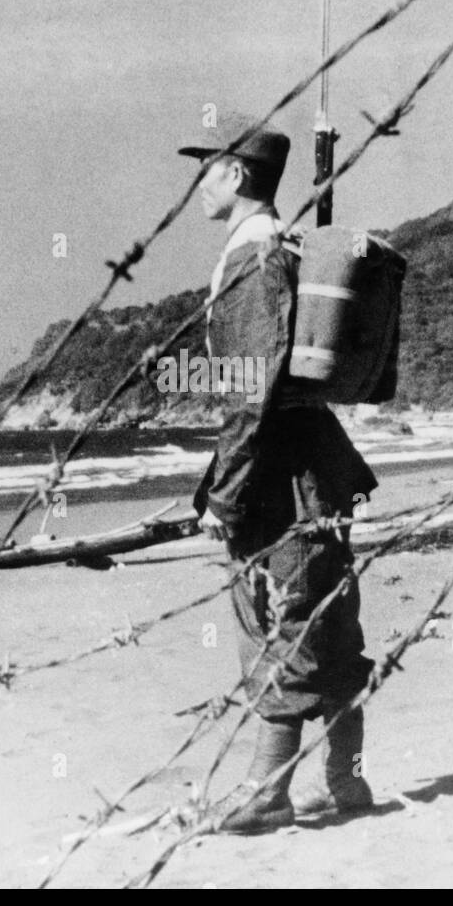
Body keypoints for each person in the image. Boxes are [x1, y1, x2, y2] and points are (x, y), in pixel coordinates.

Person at [178, 111, 377, 833]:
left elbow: (248, 392)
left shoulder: (252, 259)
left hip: (281, 482)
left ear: (235, 174)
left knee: (280, 627)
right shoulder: (278, 251)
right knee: (325, 626)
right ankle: (342, 782)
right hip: (313, 472)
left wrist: (223, 498)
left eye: (206, 168)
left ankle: (268, 793)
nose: (198, 183)